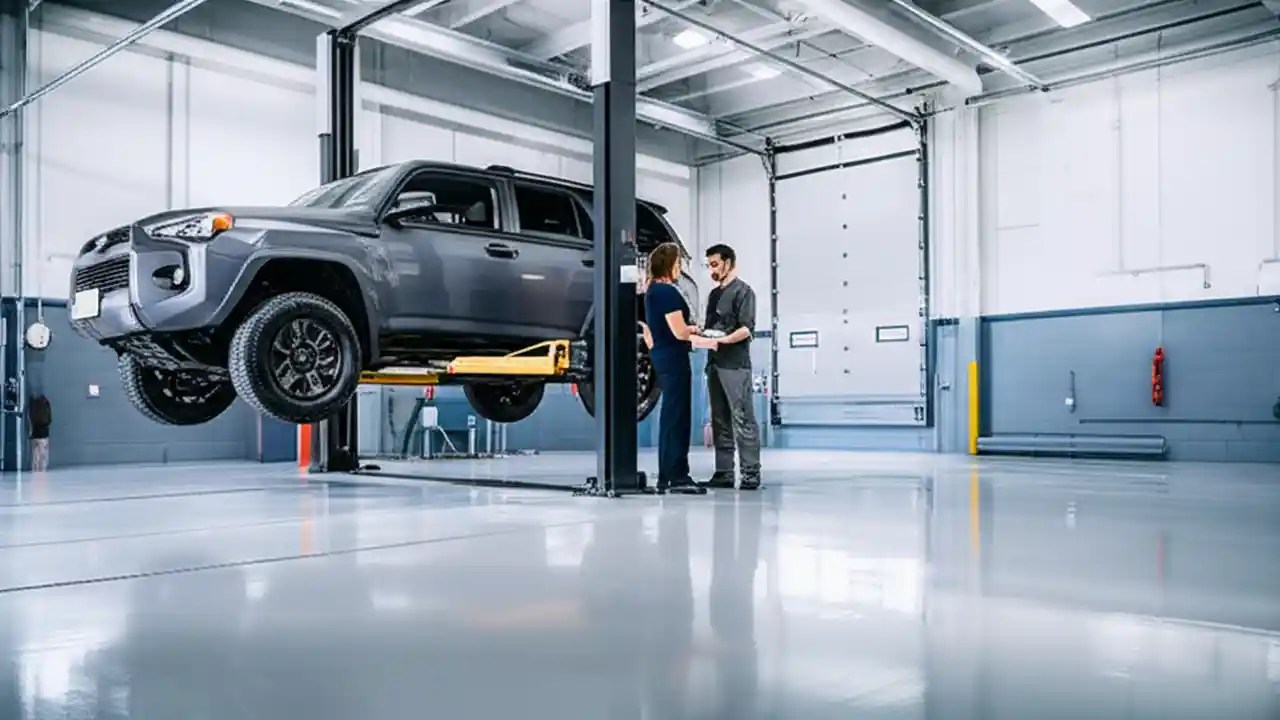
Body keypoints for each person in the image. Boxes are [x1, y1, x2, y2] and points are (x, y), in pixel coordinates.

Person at [641, 242, 704, 494]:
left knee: (670, 415)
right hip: (673, 356)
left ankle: (668, 474)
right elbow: (679, 331)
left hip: (662, 355)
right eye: (678, 263)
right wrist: (696, 330)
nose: (680, 268)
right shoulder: (667, 292)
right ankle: (677, 475)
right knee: (677, 416)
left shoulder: (652, 291)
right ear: (669, 264)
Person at [700, 244, 762, 489]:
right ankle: (724, 472)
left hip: (735, 365)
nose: (711, 270)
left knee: (743, 418)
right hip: (715, 364)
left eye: (714, 264)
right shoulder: (714, 295)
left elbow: (747, 328)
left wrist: (723, 340)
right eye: (709, 266)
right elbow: (709, 327)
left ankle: (750, 473)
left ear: (728, 262)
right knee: (720, 420)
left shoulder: (744, 292)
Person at [29, 394, 51, 472]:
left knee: (35, 453)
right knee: (43, 453)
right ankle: (41, 469)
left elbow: (31, 418)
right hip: (44, 433)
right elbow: (49, 419)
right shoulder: (46, 407)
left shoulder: (34, 408)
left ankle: (34, 468)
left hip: (35, 433)